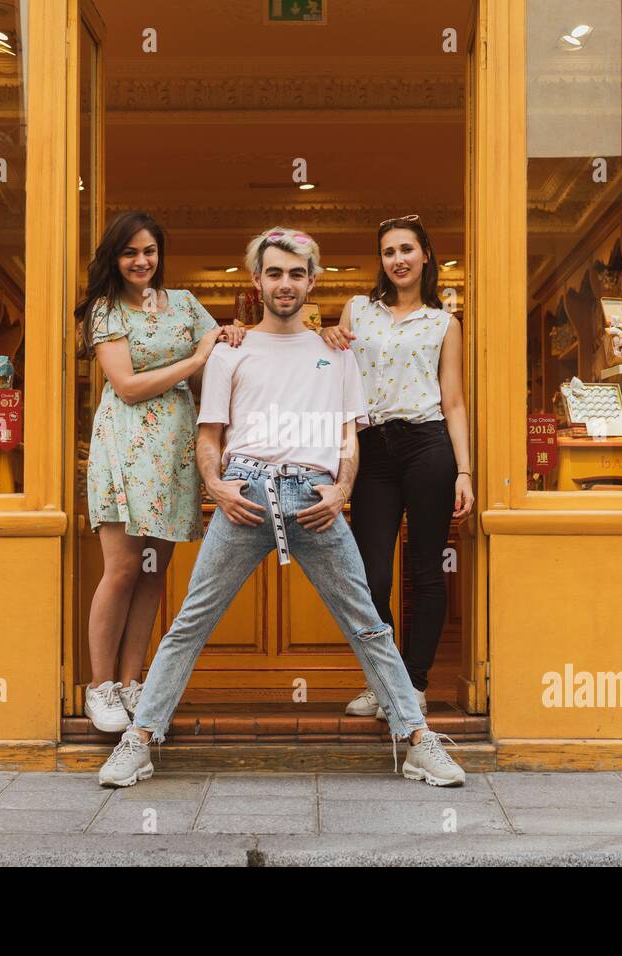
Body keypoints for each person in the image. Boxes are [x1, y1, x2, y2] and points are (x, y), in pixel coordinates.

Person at [98, 226, 466, 788]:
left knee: (366, 622)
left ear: (313, 280)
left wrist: (342, 491)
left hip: (314, 498)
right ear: (257, 280)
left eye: (297, 273)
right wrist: (217, 487)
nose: (286, 283)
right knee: (190, 623)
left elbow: (349, 438)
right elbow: (209, 435)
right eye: (275, 273)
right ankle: (141, 739)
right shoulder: (229, 352)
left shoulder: (337, 352)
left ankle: (416, 739)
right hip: (243, 494)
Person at [79, 210, 243, 734]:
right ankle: (99, 686)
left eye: (149, 251)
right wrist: (196, 359)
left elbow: (223, 346)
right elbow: (126, 385)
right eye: (130, 252)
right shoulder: (104, 311)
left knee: (152, 574)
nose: (141, 261)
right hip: (125, 446)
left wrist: (233, 334)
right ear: (115, 257)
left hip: (175, 449)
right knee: (122, 570)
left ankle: (133, 683)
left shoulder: (187, 304)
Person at [320, 216, 475, 720]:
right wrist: (325, 339)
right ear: (381, 261)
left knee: (426, 570)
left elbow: (453, 401)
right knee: (369, 575)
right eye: (388, 252)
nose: (399, 259)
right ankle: (382, 680)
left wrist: (464, 472)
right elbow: (336, 373)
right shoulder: (358, 310)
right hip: (372, 449)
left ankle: (416, 684)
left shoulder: (443, 323)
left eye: (407, 249)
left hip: (427, 444)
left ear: (425, 255)